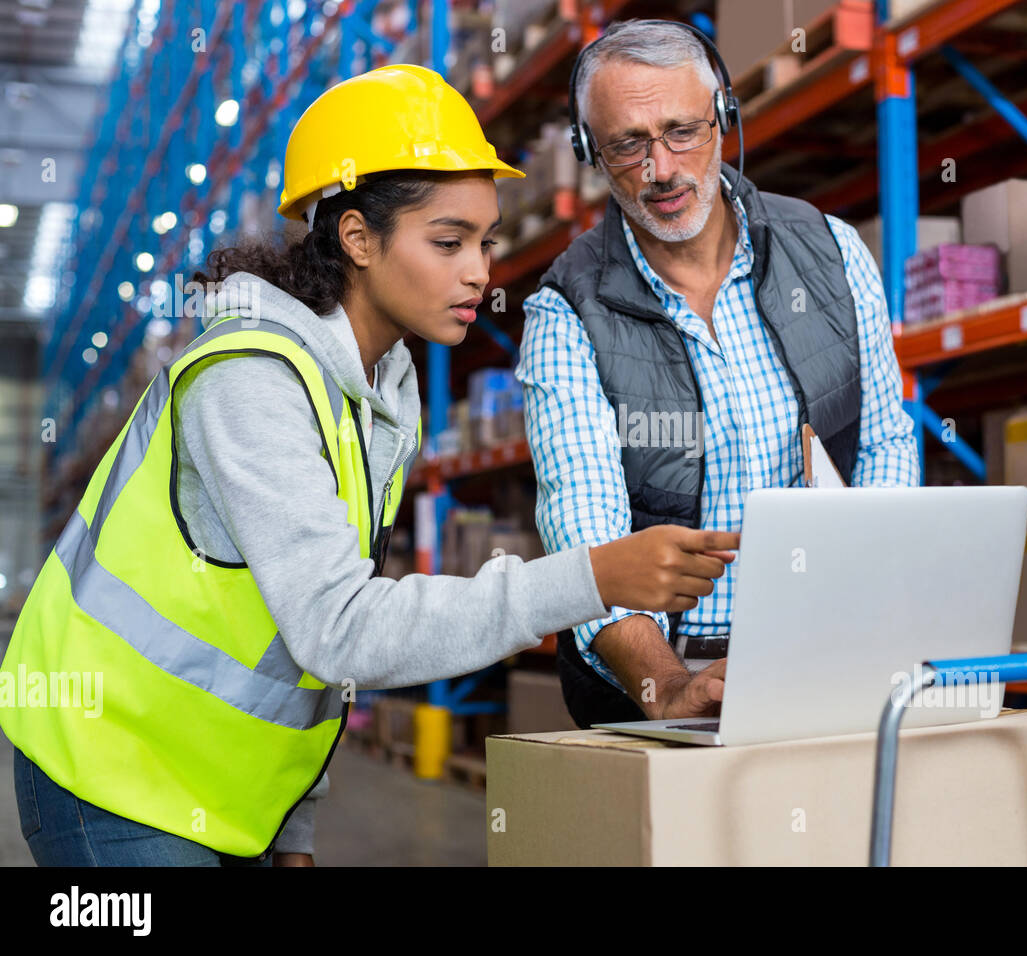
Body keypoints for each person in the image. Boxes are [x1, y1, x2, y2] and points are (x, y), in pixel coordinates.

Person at [1, 64, 737, 867]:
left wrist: (293, 826)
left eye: (485, 243)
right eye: (448, 242)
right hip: (109, 767)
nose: (479, 272)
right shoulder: (249, 377)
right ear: (357, 237)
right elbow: (339, 629)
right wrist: (590, 578)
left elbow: (304, 628)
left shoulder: (384, 388)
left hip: (226, 792)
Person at [516, 20, 920, 729]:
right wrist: (668, 689)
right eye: (627, 145)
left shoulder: (831, 253)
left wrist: (865, 613)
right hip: (651, 680)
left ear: (725, 119)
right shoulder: (565, 312)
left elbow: (885, 444)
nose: (662, 169)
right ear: (590, 153)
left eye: (682, 131)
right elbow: (589, 548)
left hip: (822, 655)